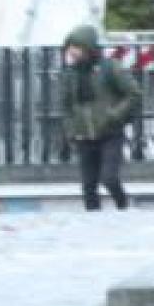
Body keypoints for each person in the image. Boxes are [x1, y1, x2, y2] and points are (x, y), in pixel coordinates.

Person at [59, 25, 143, 213]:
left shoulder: (109, 67)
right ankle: (93, 220)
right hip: (83, 136)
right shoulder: (70, 74)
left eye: (76, 47)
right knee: (88, 186)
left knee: (109, 178)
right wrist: (70, 129)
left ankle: (123, 206)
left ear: (87, 47)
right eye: (70, 47)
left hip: (109, 132)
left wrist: (115, 114)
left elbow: (133, 93)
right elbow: (66, 106)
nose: (72, 52)